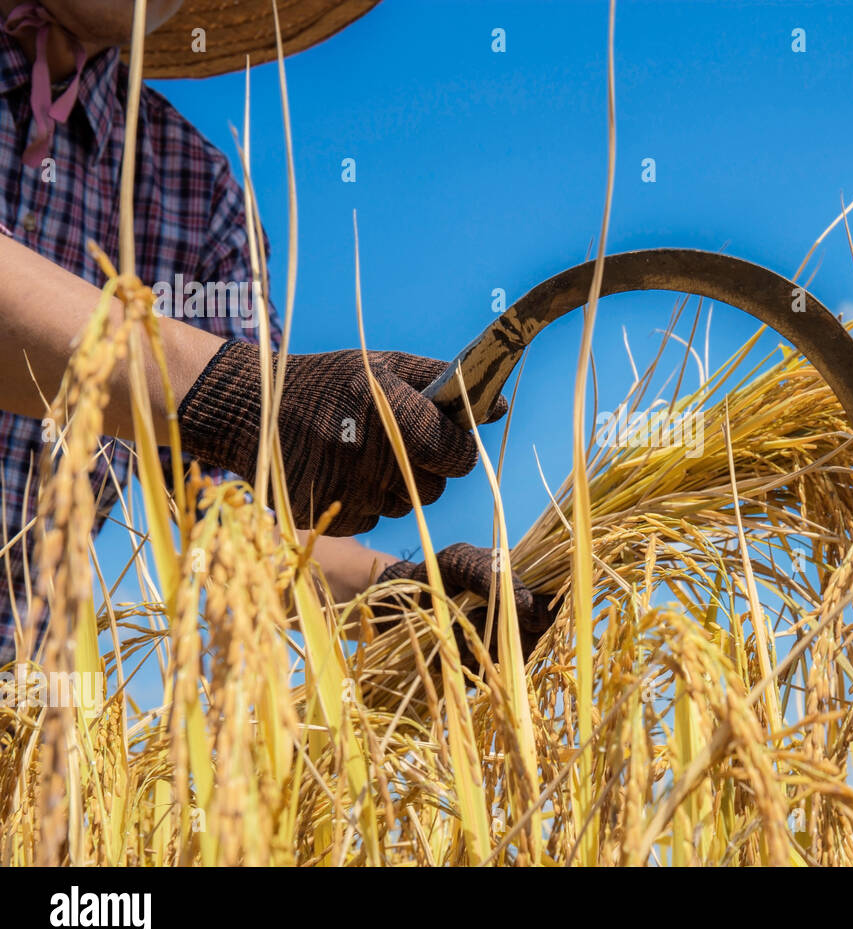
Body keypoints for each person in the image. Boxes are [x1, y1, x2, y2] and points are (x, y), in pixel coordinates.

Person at [0, 0, 554, 664]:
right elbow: (229, 403)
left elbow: (235, 519)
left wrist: (393, 596)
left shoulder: (194, 192)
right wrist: (233, 392)